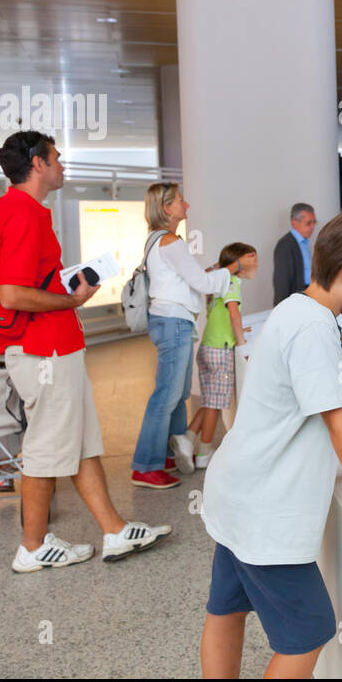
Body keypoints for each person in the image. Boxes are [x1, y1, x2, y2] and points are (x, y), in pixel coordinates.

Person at [199, 206, 342, 679]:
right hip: (266, 514)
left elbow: (310, 420)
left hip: (236, 494)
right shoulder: (315, 328)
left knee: (226, 608)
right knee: (309, 632)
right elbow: (339, 426)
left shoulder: (294, 309)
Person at [0, 130, 170, 572]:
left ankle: (114, 530)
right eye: (57, 158)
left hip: (55, 348)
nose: (63, 166)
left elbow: (24, 283)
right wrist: (71, 300)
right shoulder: (23, 213)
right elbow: (11, 294)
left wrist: (64, 289)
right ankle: (31, 547)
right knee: (47, 448)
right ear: (37, 164)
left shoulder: (13, 210)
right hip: (42, 351)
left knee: (82, 443)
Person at [132, 182, 241, 487]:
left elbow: (188, 280)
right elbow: (203, 285)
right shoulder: (171, 243)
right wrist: (234, 268)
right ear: (167, 208)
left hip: (170, 321)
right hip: (174, 323)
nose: (187, 205)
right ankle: (145, 466)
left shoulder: (156, 241)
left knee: (177, 395)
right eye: (181, 201)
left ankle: (172, 452)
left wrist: (212, 272)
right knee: (166, 396)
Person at [187, 242, 258, 469]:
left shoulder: (219, 282)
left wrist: (236, 330)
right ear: (239, 265)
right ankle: (204, 454)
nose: (256, 263)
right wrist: (243, 345)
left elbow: (224, 317)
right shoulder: (232, 281)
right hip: (221, 351)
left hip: (208, 347)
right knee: (216, 403)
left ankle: (187, 438)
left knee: (210, 400)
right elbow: (234, 316)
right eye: (251, 259)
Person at [272, 203, 316, 305]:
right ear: (294, 223)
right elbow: (281, 282)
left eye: (314, 222)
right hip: (294, 302)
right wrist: (281, 309)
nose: (312, 227)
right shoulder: (285, 245)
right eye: (308, 223)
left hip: (307, 297)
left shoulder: (304, 243)